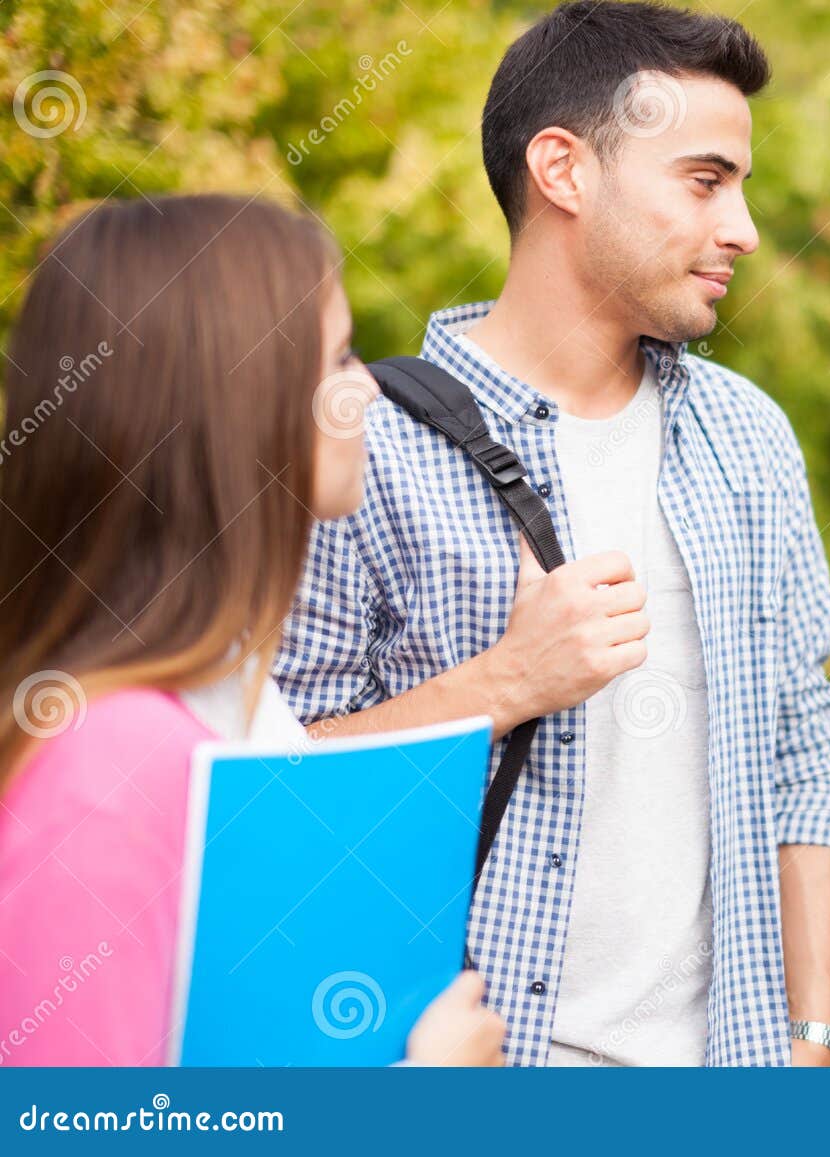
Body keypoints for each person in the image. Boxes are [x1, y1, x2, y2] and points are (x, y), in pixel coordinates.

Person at [272, 1, 830, 1067]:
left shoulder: (748, 435)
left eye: (741, 184)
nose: (744, 229)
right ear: (563, 169)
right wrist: (503, 683)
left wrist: (810, 1039)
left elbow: (803, 745)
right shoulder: (368, 444)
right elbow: (273, 790)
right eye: (704, 178)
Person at [0, 195, 504, 1067]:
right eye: (338, 356)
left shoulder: (233, 705)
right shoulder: (108, 758)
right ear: (238, 408)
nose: (368, 386)